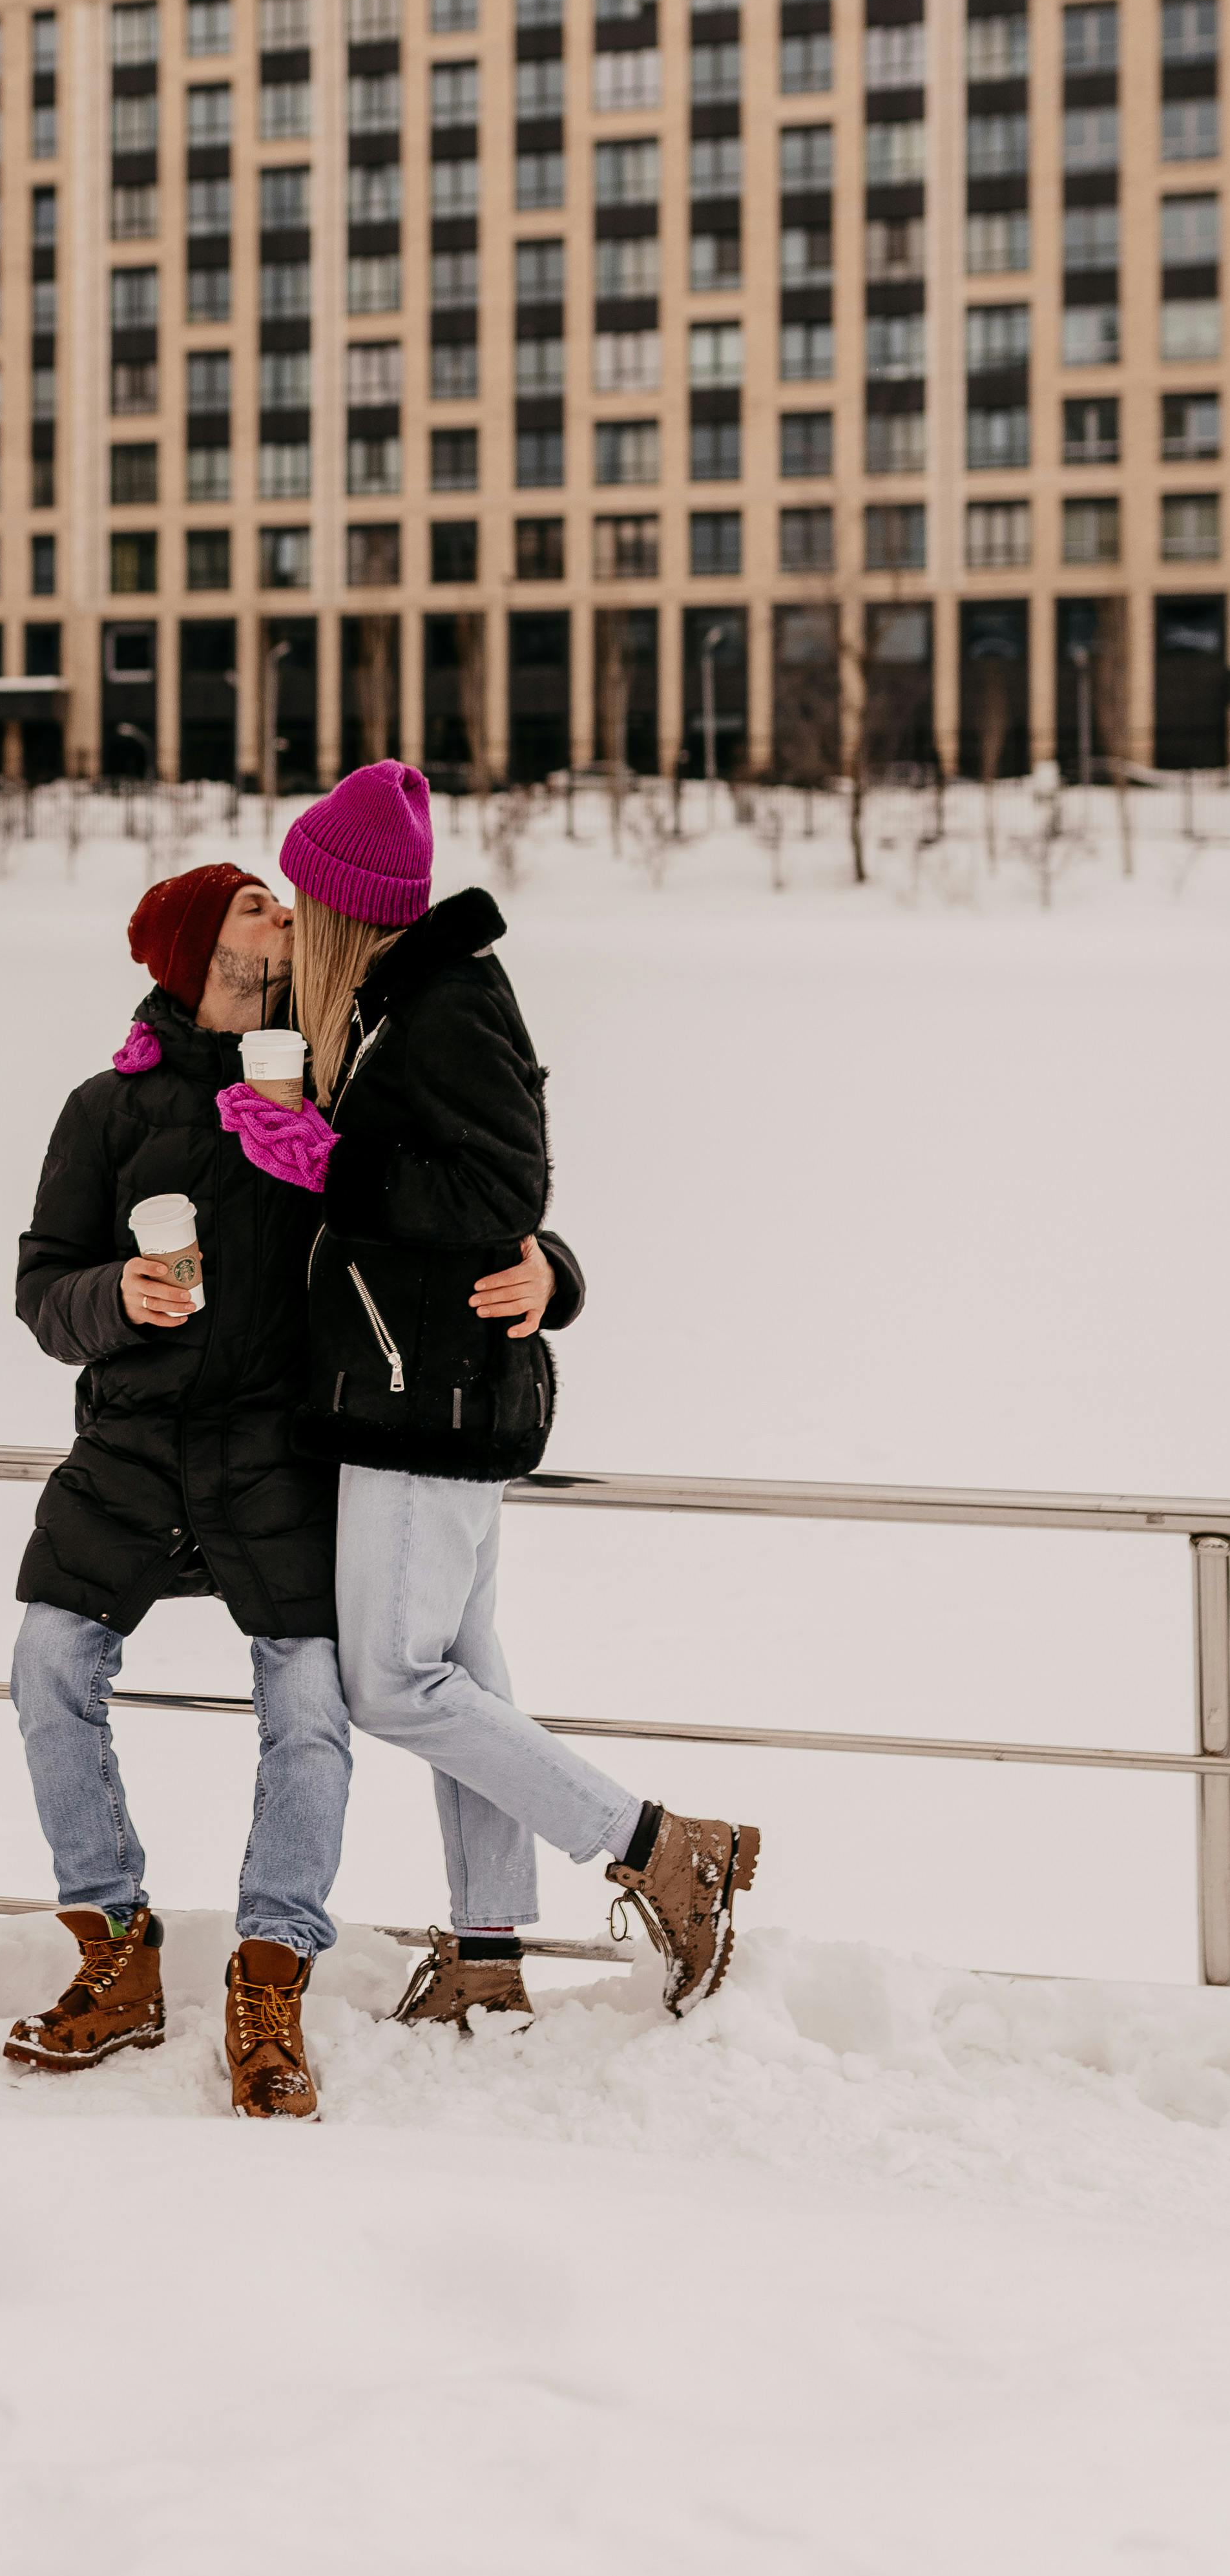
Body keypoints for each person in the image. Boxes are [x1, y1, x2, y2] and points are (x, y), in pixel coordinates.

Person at [7, 856, 564, 2112]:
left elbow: (467, 1194)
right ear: (197, 951)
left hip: (282, 1460)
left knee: (310, 1708)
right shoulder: (104, 1111)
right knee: (47, 1667)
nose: (287, 913)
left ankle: (271, 1971)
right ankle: (114, 1947)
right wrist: (115, 1296)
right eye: (255, 904)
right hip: (130, 1453)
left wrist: (552, 1267)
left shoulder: (326, 1085)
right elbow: (43, 1287)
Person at [215, 759, 760, 2026]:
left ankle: (660, 1847)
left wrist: (333, 1166)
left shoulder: (445, 1003)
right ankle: (486, 1946)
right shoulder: (393, 999)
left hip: (425, 1401)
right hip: (424, 1384)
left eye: (308, 893)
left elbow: (502, 1191)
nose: (298, 914)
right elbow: (483, 1199)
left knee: (393, 1684)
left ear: (348, 902)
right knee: (460, 1676)